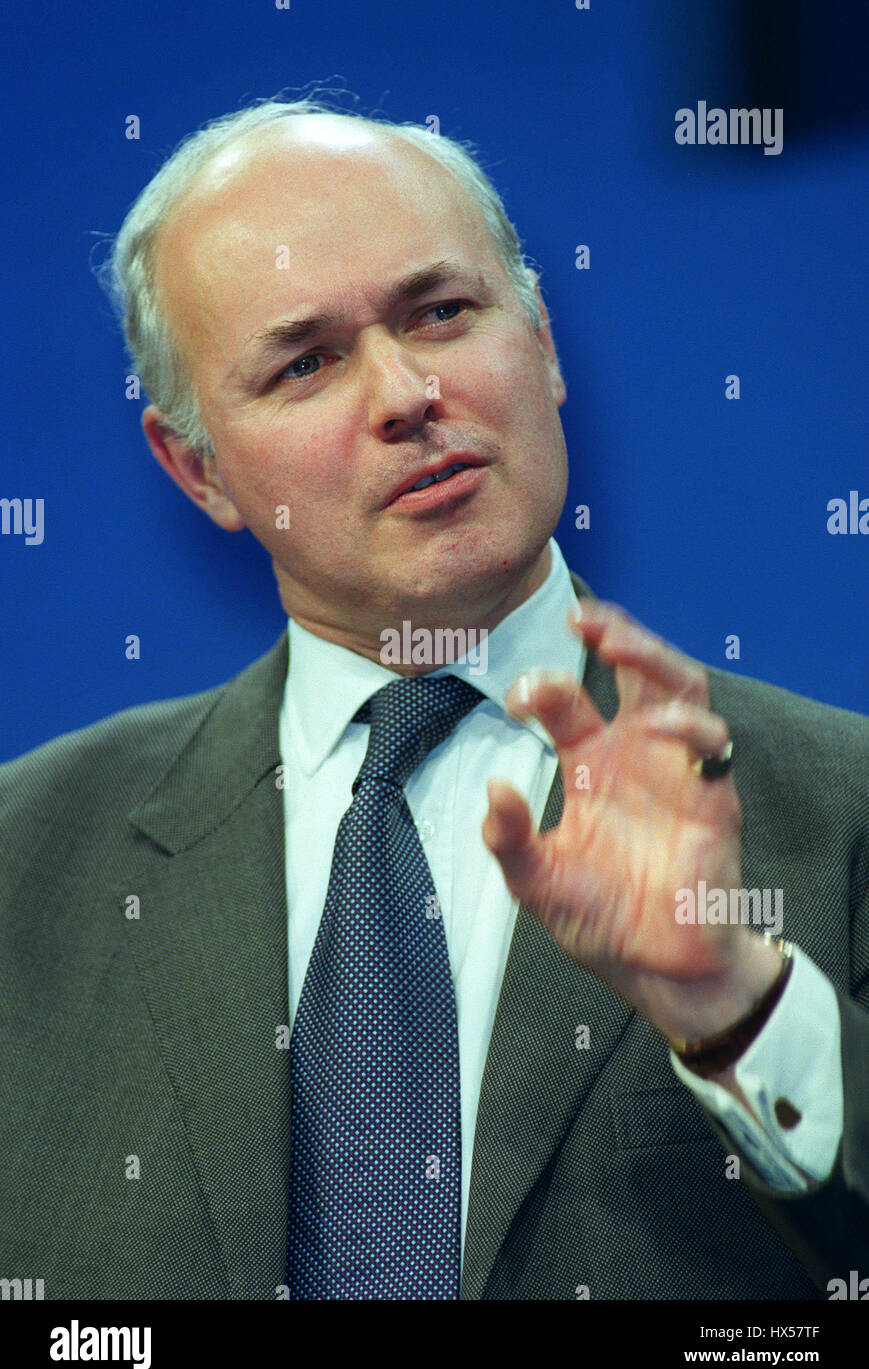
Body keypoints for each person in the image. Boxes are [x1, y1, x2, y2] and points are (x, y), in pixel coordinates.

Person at [0, 96, 866, 1302]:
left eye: (441, 313)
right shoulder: (26, 863)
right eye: (305, 362)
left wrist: (731, 1004)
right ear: (199, 470)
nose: (405, 393)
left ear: (544, 342)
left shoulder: (840, 811)